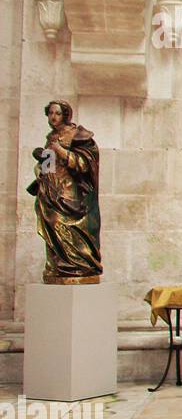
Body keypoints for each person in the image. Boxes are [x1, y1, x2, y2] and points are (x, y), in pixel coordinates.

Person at [28, 100, 102, 283]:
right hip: (50, 191)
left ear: (66, 115)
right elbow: (48, 166)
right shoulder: (51, 137)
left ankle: (79, 264)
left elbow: (85, 164)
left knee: (63, 224)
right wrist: (40, 168)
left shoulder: (78, 135)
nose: (53, 117)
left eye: (57, 113)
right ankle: (58, 265)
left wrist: (61, 150)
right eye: (50, 113)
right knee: (51, 223)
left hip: (70, 192)